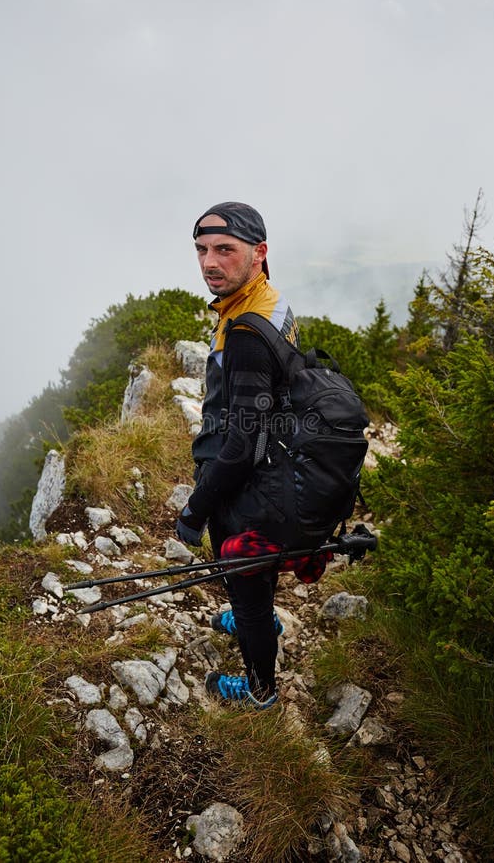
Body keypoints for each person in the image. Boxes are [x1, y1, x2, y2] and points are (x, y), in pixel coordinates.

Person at [176, 201, 299, 710]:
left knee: (243, 582)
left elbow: (240, 447)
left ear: (259, 253)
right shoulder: (270, 301)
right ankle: (259, 615)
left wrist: (195, 509)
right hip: (276, 465)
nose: (210, 262)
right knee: (250, 576)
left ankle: (259, 690)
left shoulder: (246, 331)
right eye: (202, 250)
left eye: (225, 250)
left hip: (248, 486)